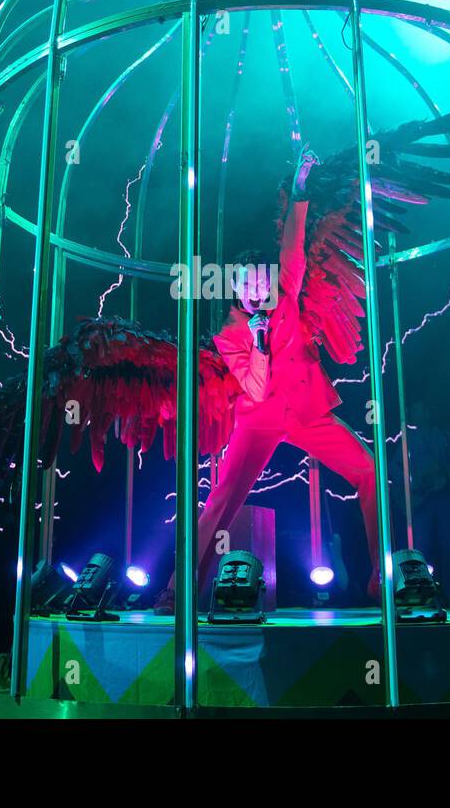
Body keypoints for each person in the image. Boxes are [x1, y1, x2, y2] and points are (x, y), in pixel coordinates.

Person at [156, 155, 382, 611]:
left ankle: (381, 580)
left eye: (262, 282)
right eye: (247, 285)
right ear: (236, 289)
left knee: (369, 470)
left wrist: (300, 184)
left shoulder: (288, 290)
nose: (257, 291)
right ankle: (180, 592)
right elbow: (254, 390)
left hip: (304, 413)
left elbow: (293, 245)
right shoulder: (229, 335)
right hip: (258, 419)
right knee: (220, 501)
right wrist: (259, 342)